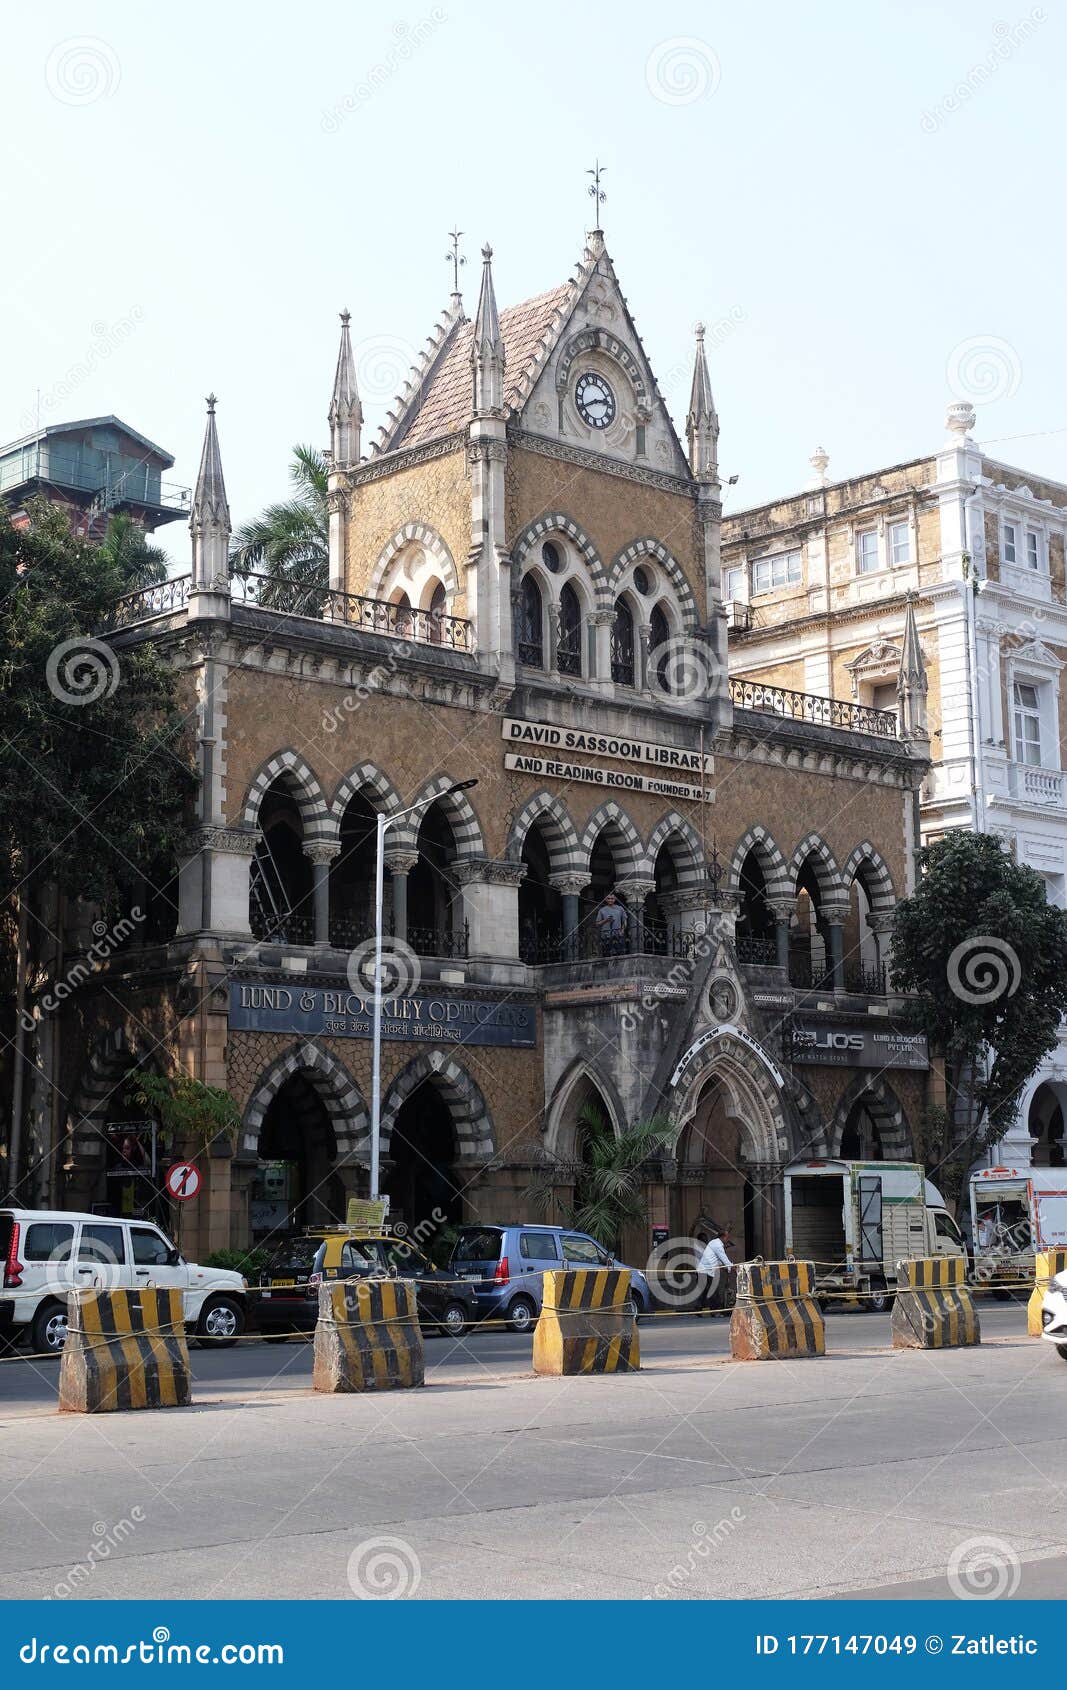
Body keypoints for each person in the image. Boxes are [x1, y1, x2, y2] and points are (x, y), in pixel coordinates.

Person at [697, 1227, 735, 1314]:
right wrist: (732, 1267)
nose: (728, 1239)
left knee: (704, 1292)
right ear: (723, 1237)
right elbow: (724, 1258)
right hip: (706, 1271)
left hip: (704, 1270)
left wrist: (726, 1267)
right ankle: (715, 1311)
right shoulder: (718, 1245)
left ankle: (698, 1309)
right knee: (713, 1291)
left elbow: (717, 1259)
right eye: (727, 1237)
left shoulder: (714, 1243)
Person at [595, 891, 628, 956]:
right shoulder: (602, 910)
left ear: (615, 899)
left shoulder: (620, 908)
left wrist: (622, 930)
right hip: (606, 935)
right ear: (606, 899)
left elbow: (624, 920)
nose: (610, 900)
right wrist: (606, 920)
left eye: (612, 898)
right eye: (608, 898)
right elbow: (597, 924)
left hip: (618, 934)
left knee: (619, 953)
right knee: (607, 954)